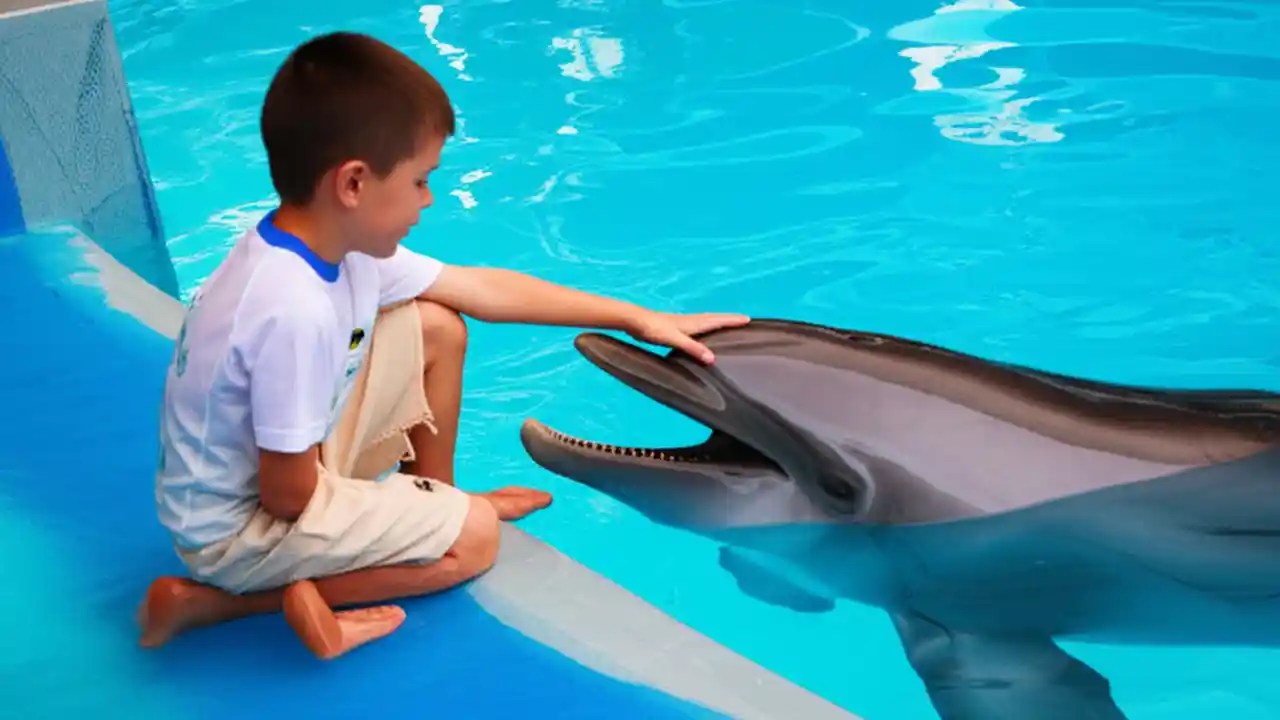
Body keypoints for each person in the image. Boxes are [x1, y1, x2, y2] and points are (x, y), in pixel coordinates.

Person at [136, 31, 749, 660]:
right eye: (421, 181)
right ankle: (218, 604)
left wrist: (634, 317)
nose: (428, 201)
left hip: (273, 472)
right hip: (240, 533)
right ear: (352, 184)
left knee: (436, 326)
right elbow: (287, 497)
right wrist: (420, 511)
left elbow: (481, 290)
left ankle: (428, 506)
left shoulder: (324, 247)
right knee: (477, 539)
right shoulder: (293, 311)